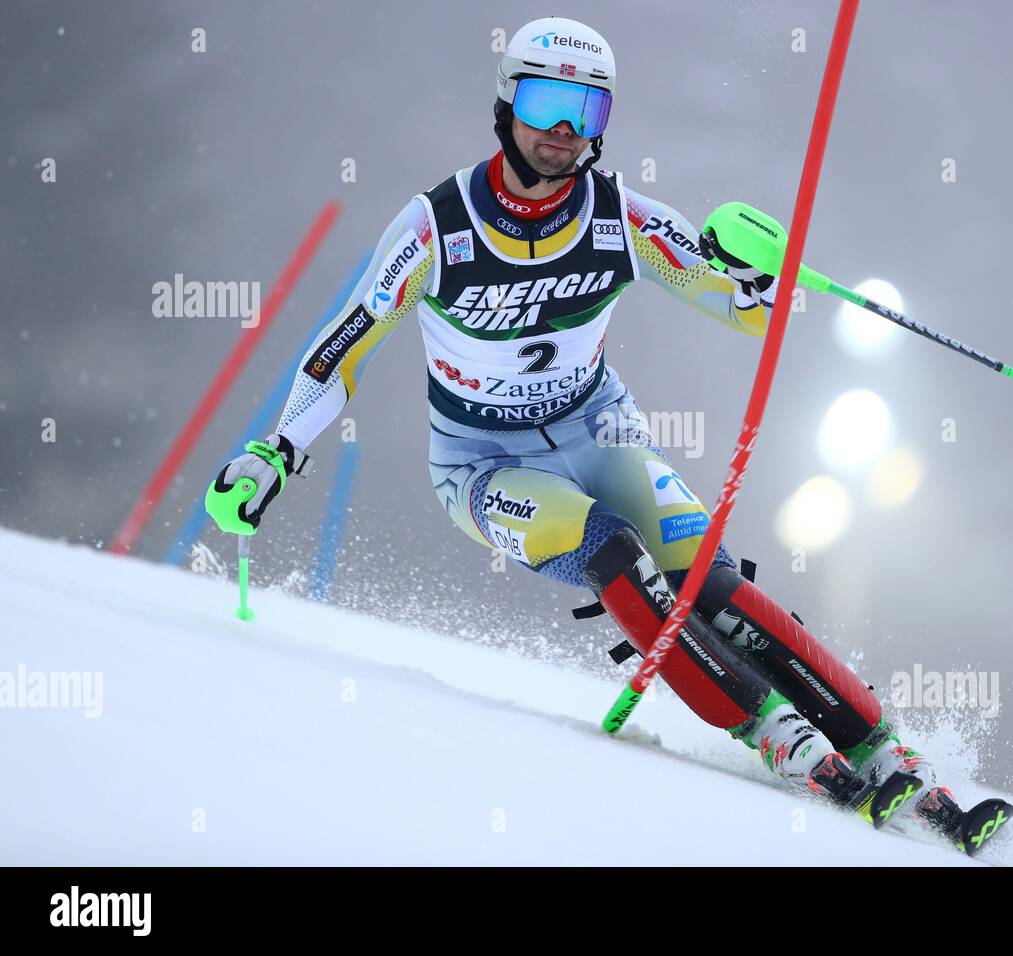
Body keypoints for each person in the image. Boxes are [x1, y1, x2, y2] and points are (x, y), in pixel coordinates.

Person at [206, 16, 961, 832]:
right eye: (545, 101)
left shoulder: (621, 217)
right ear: (505, 102)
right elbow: (345, 345)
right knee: (613, 551)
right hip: (482, 465)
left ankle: (884, 747)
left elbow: (744, 313)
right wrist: (274, 451)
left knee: (705, 580)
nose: (564, 132)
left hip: (600, 429)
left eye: (588, 112)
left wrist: (758, 276)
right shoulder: (436, 228)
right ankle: (774, 733)